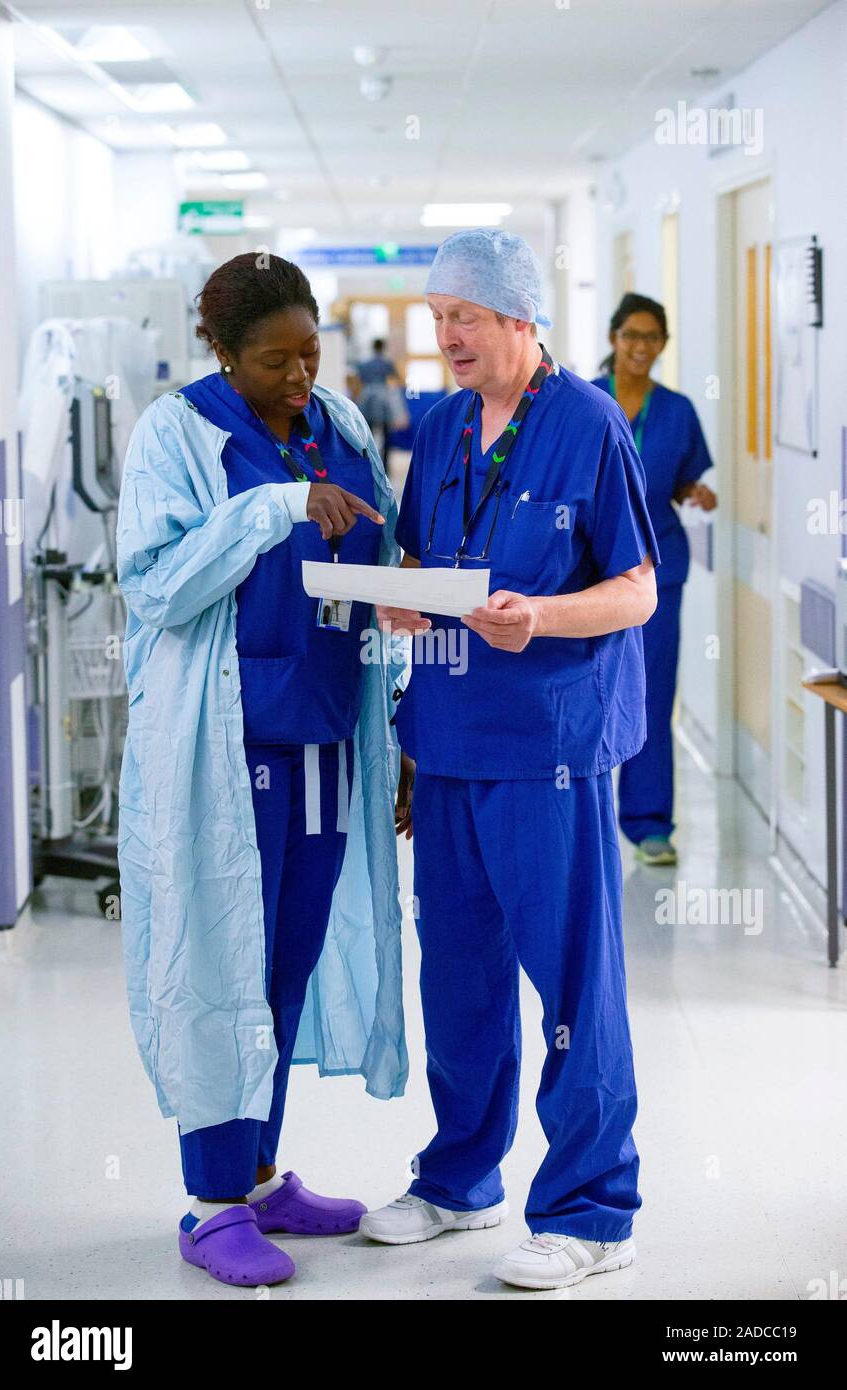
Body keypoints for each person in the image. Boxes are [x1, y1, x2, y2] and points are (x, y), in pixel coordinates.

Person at [360, 229, 660, 1291]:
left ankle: (591, 1210)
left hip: (550, 750)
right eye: (439, 317)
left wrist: (540, 615)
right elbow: (417, 560)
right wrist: (397, 597)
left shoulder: (585, 426)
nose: (446, 336)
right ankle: (458, 1179)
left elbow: (633, 587)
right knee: (460, 975)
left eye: (467, 318)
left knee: (570, 981)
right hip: (445, 745)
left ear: (521, 319)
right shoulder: (438, 428)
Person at [116, 253, 409, 1289]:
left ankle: (257, 1168)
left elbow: (376, 564)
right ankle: (208, 1204)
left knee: (283, 965)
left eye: (309, 349)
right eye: (274, 359)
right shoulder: (178, 434)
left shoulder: (339, 423)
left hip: (329, 735)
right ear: (224, 354)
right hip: (227, 747)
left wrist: (403, 710)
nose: (299, 374)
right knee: (221, 964)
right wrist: (272, 509)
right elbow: (154, 585)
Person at [592, 293, 717, 865]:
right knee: (585, 692)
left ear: (663, 345)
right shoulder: (583, 403)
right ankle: (583, 818)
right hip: (586, 574)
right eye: (630, 336)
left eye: (652, 338)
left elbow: (679, 478)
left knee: (650, 694)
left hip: (658, 570)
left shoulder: (678, 410)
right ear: (614, 338)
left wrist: (694, 492)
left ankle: (648, 824)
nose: (640, 347)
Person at [352, 338, 402, 469]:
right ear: (383, 347)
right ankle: (385, 467)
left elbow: (358, 380)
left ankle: (368, 465)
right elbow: (397, 378)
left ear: (372, 347)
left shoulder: (364, 364)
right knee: (386, 435)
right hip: (383, 398)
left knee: (367, 435)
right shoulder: (387, 363)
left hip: (367, 397)